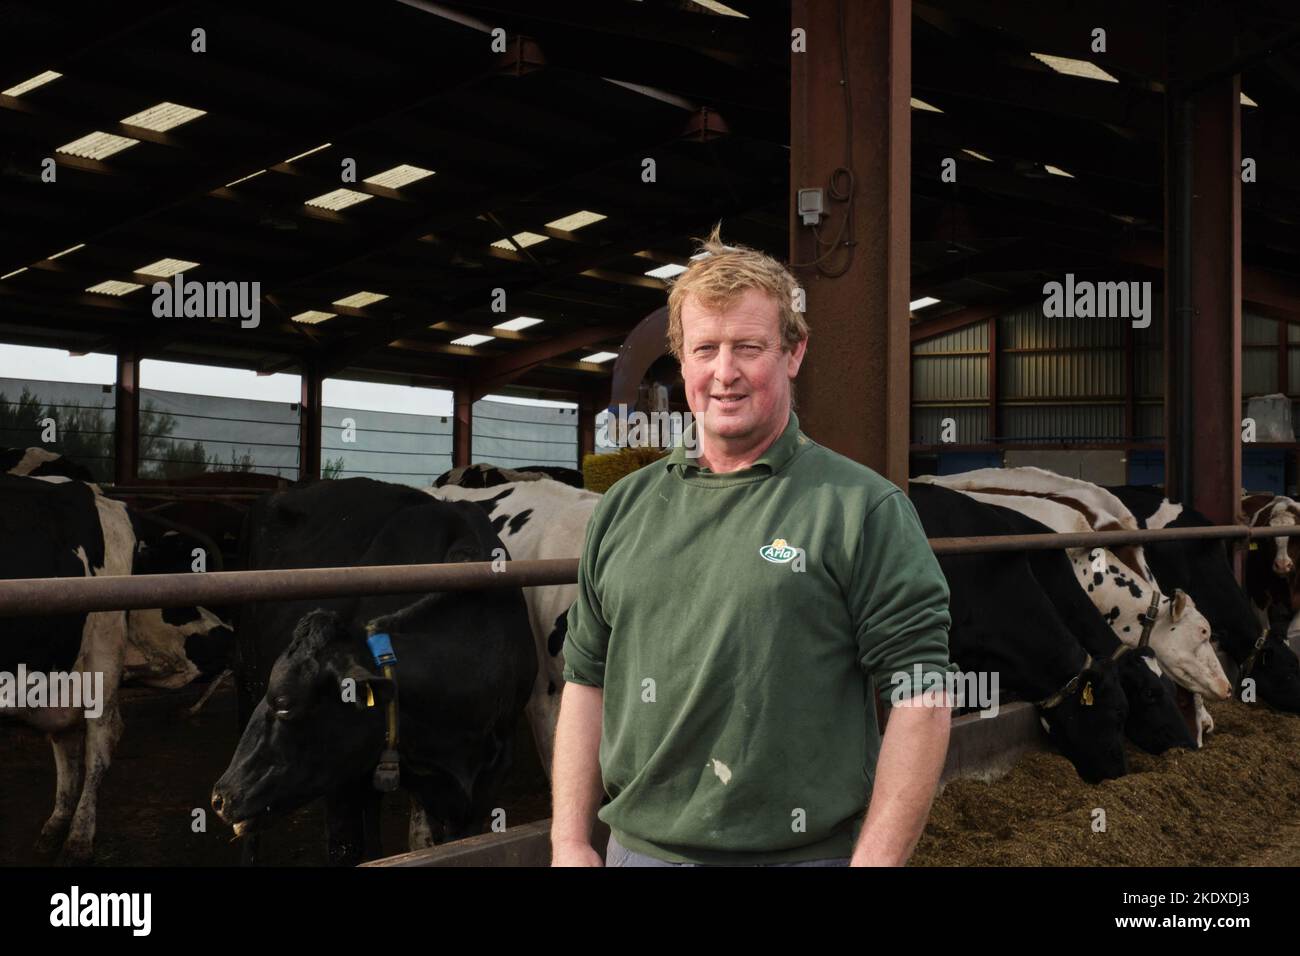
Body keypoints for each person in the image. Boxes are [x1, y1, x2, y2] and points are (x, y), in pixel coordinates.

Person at [550, 225, 955, 867]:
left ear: (793, 353)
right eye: (705, 348)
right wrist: (570, 842)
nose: (724, 373)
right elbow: (584, 680)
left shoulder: (861, 509)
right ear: (681, 361)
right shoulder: (623, 509)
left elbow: (922, 695)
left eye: (749, 347)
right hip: (637, 854)